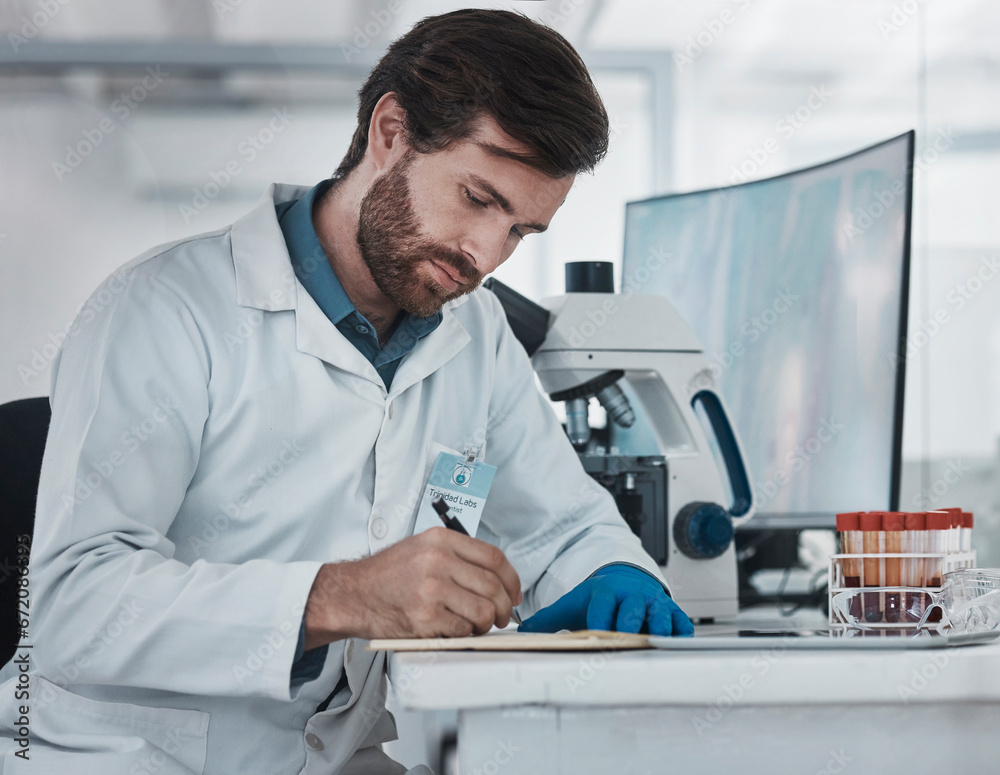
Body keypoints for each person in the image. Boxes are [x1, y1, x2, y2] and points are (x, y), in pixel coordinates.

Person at [0, 9, 692, 774]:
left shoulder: (477, 332)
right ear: (390, 131)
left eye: (521, 231)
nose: (486, 254)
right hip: (117, 757)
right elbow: (71, 605)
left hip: (335, 754)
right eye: (478, 198)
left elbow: (559, 524)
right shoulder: (165, 309)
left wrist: (610, 573)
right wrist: (340, 597)